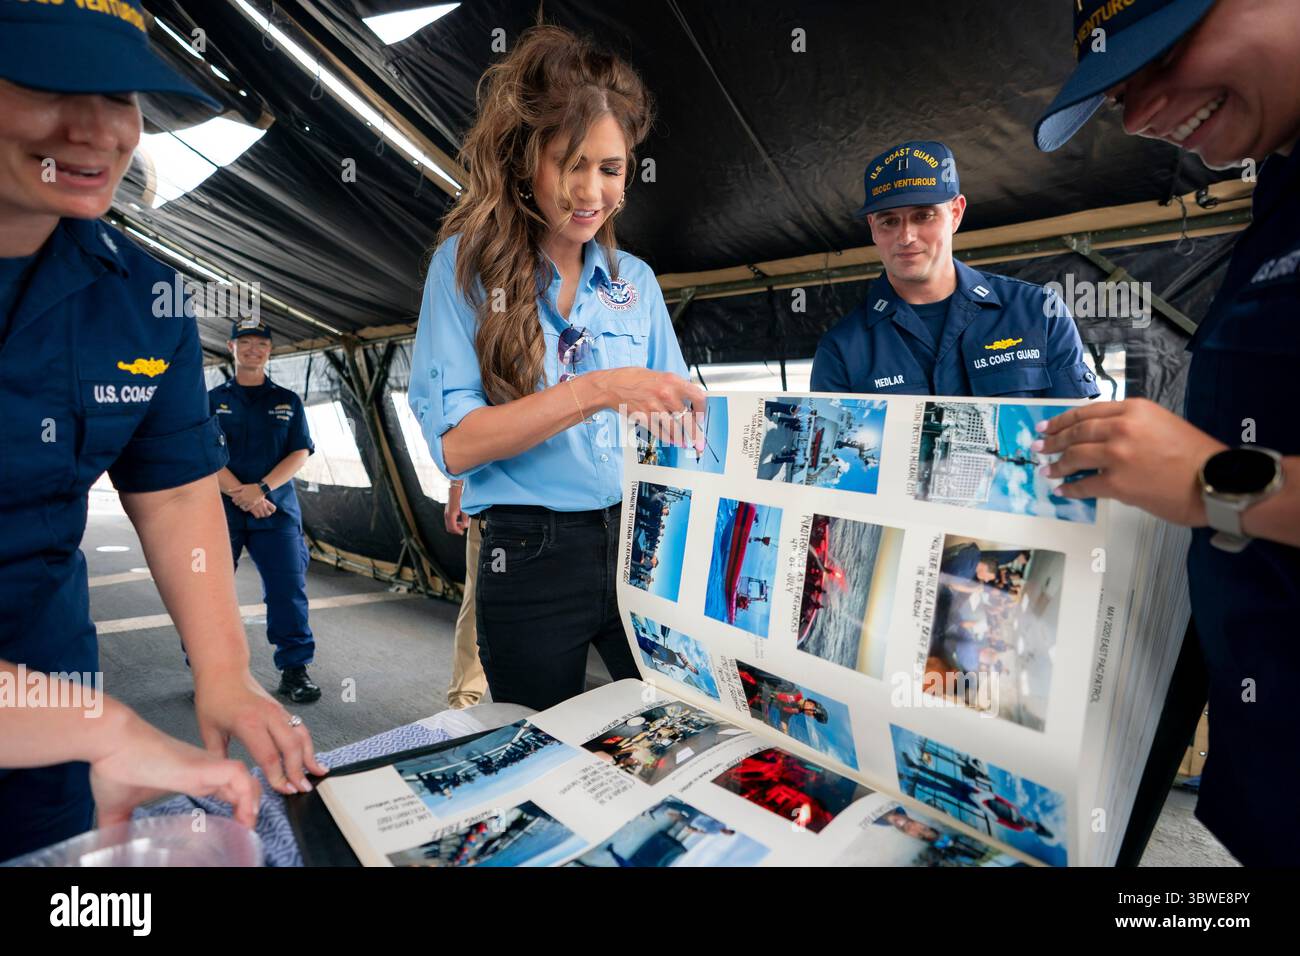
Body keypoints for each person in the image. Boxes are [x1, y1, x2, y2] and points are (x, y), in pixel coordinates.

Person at [0, 0, 325, 862]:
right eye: (48, 82)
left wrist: (223, 671)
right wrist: (102, 728)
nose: (99, 131)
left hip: (49, 685)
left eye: (123, 96)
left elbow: (177, 489)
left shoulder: (146, 296)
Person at [1033, 0, 1300, 866]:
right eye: (1119, 97)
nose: (1143, 116)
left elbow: (1225, 479)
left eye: (1162, 55)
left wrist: (1212, 482)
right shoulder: (1278, 197)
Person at [408, 25, 706, 712]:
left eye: (611, 168)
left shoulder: (637, 282)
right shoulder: (464, 272)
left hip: (641, 541)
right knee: (538, 753)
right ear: (523, 161)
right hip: (529, 554)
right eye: (570, 164)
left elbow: (685, 428)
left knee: (670, 729)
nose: (591, 192)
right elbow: (457, 446)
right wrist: (598, 389)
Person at [811, 140, 1101, 399]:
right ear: (873, 228)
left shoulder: (1039, 311)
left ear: (955, 213)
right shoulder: (842, 350)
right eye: (889, 221)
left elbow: (1076, 439)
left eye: (923, 215)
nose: (906, 236)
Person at [209, 319, 320, 703]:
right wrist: (242, 494)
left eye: (261, 343)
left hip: (276, 509)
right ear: (231, 347)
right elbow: (204, 453)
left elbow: (300, 451)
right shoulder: (210, 400)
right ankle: (214, 676)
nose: (253, 349)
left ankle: (294, 671)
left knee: (288, 589)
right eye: (246, 342)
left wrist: (261, 490)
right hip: (222, 508)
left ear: (270, 350)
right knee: (211, 592)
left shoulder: (288, 400)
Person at [444, 478, 487, 709]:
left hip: (595, 514)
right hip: (499, 513)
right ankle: (463, 704)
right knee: (478, 605)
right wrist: (456, 490)